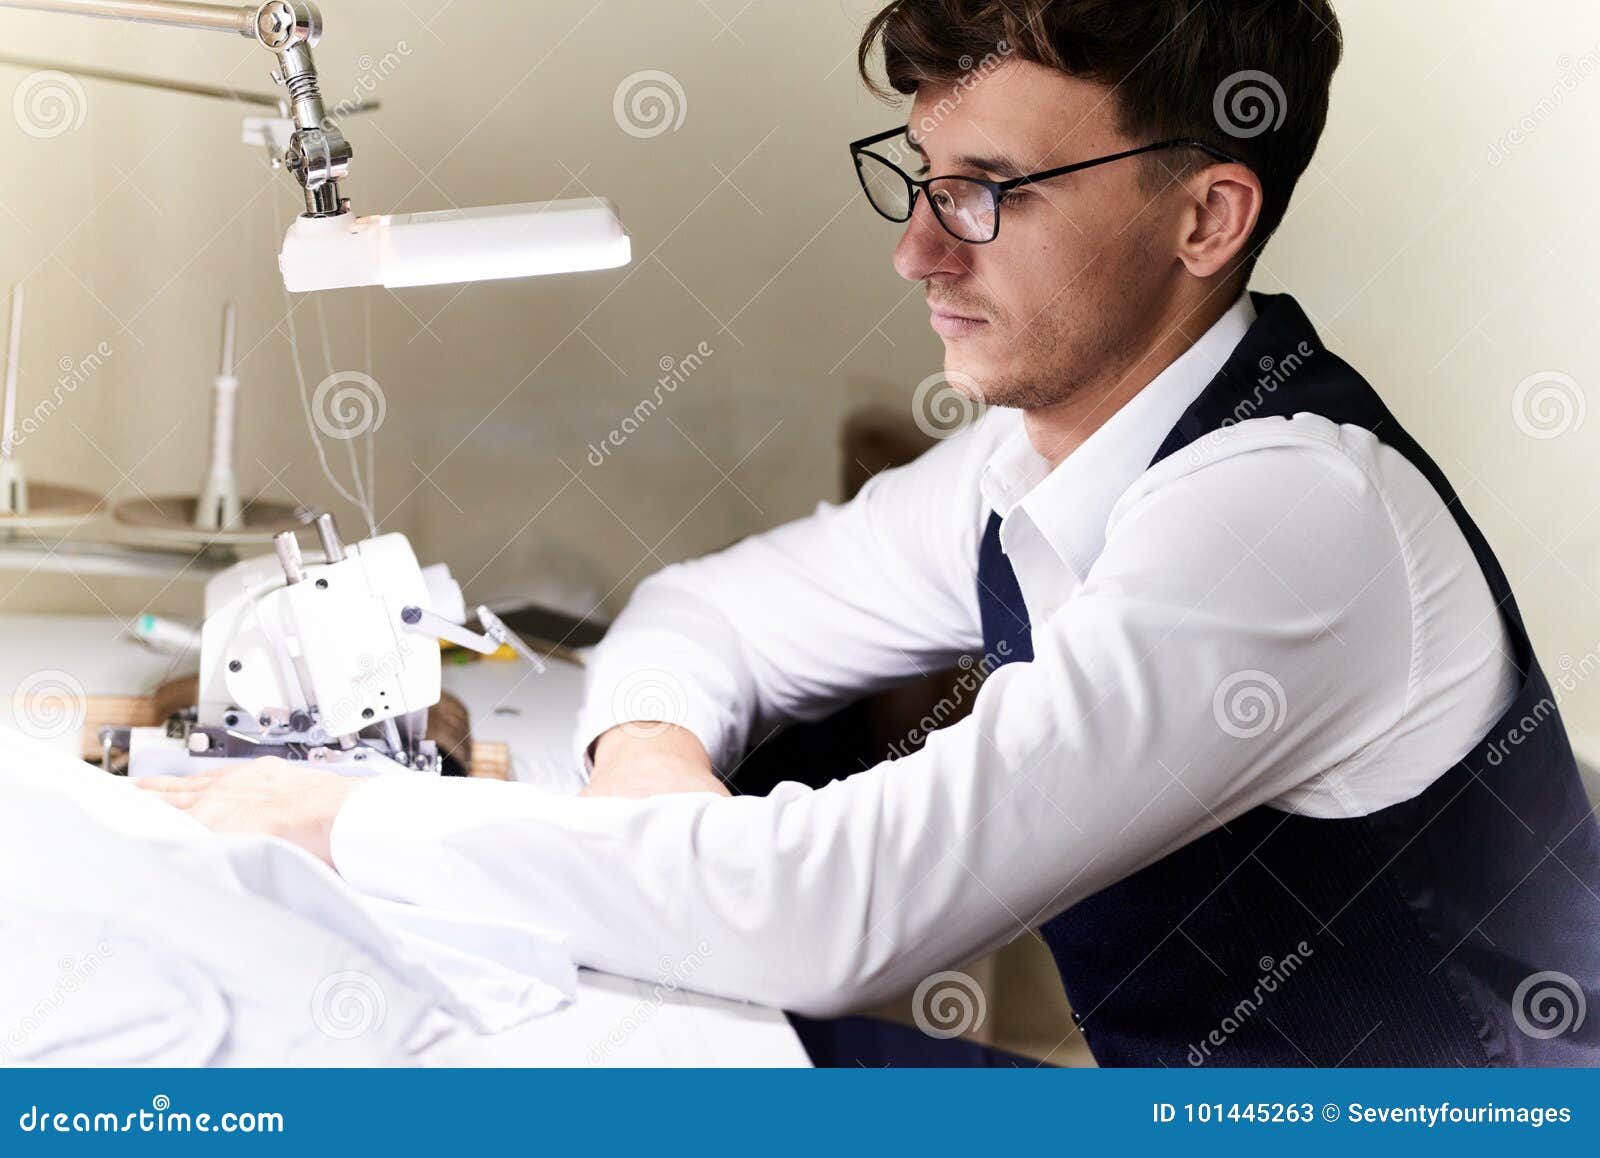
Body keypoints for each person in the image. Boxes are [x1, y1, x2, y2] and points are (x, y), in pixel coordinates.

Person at [144, 0, 1600, 1067]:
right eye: (920, 178)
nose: (916, 248)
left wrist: (346, 818)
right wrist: (648, 764)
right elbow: (706, 611)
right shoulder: (1045, 460)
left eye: (985, 195)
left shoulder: (1291, 514)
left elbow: (853, 908)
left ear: (1208, 216)